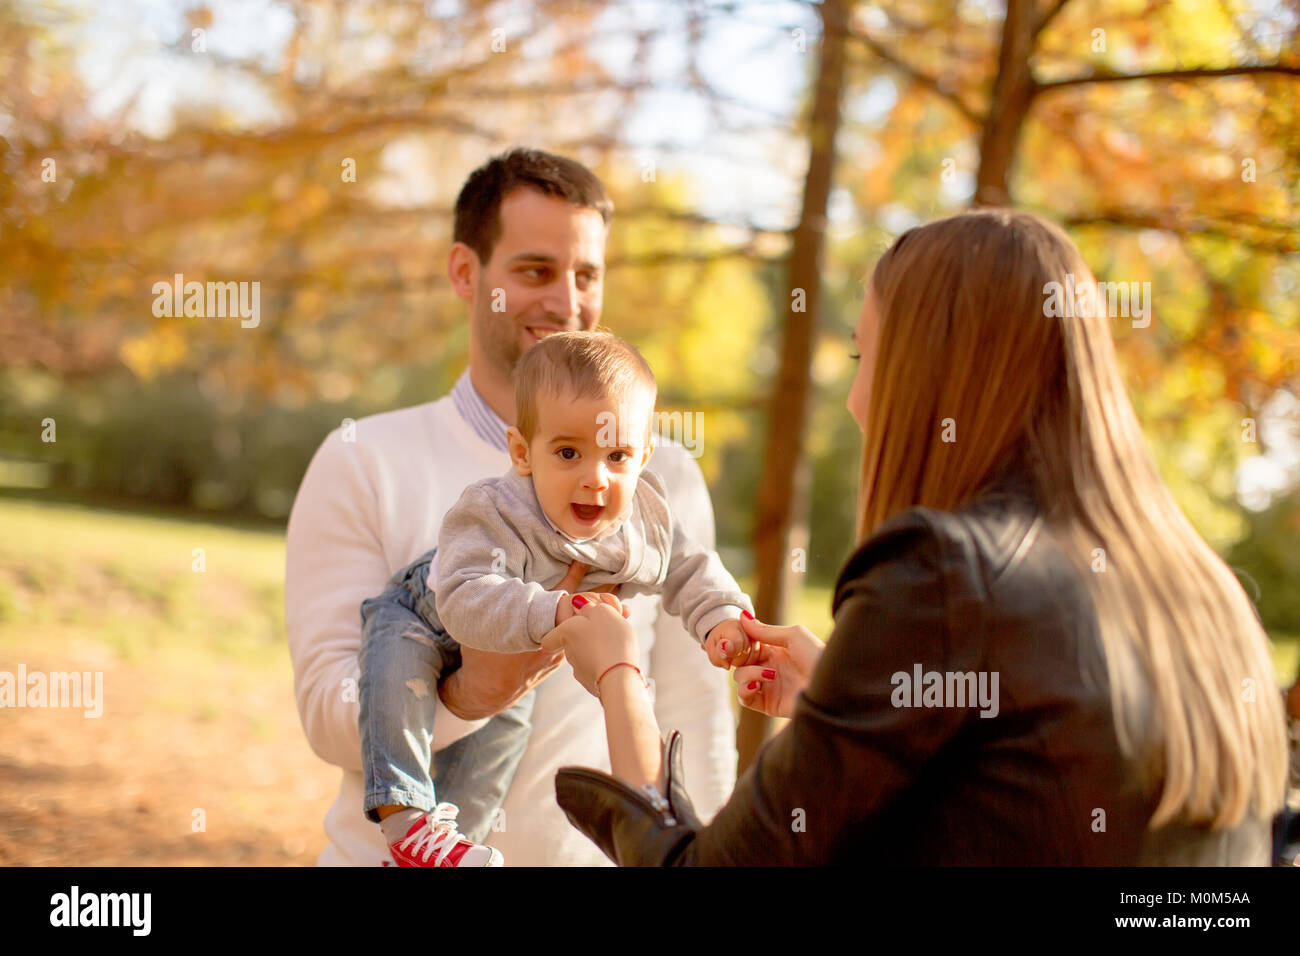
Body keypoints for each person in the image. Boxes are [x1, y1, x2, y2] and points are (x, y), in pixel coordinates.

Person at [546, 208, 1290, 865]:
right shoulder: (1207, 598)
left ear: (928, 379)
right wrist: (838, 712)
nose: (857, 398)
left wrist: (618, 675)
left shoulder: (942, 572)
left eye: (866, 360)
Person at [285, 148, 739, 867]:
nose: (566, 301)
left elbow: (696, 709)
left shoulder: (661, 478)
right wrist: (469, 693)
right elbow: (326, 717)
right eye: (535, 271)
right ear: (466, 273)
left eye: (586, 274)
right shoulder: (362, 461)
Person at [357, 331, 753, 866]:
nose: (595, 478)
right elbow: (462, 597)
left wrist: (720, 619)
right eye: (568, 452)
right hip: (423, 613)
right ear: (522, 452)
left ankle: (442, 850)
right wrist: (554, 610)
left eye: (617, 455)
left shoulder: (642, 523)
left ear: (644, 457)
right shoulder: (495, 510)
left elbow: (691, 568)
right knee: (397, 683)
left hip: (509, 647)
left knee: (498, 745)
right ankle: (403, 820)